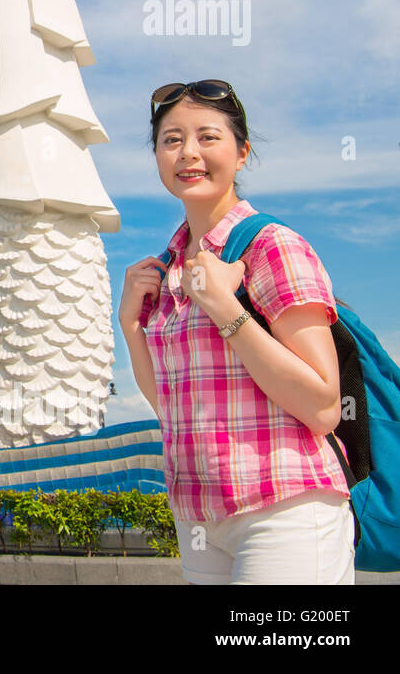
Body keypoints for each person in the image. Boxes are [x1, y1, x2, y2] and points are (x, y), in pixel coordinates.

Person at [118, 79, 355, 584]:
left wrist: (225, 308)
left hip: (284, 506)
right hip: (200, 514)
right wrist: (132, 327)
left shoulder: (271, 246)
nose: (189, 153)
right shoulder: (167, 269)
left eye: (208, 137)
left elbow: (322, 405)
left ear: (242, 152)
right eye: (172, 139)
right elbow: (170, 407)